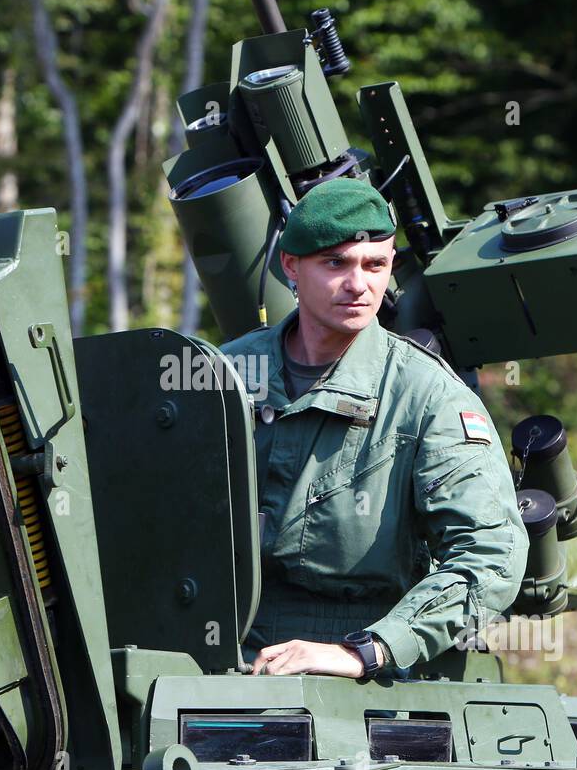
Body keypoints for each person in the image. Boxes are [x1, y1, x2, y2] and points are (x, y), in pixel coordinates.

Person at [220, 177, 528, 679]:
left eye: (375, 264)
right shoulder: (226, 372)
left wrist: (366, 651)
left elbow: (490, 555)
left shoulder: (427, 395)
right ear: (291, 265)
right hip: (220, 644)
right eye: (336, 263)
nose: (359, 284)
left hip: (369, 661)